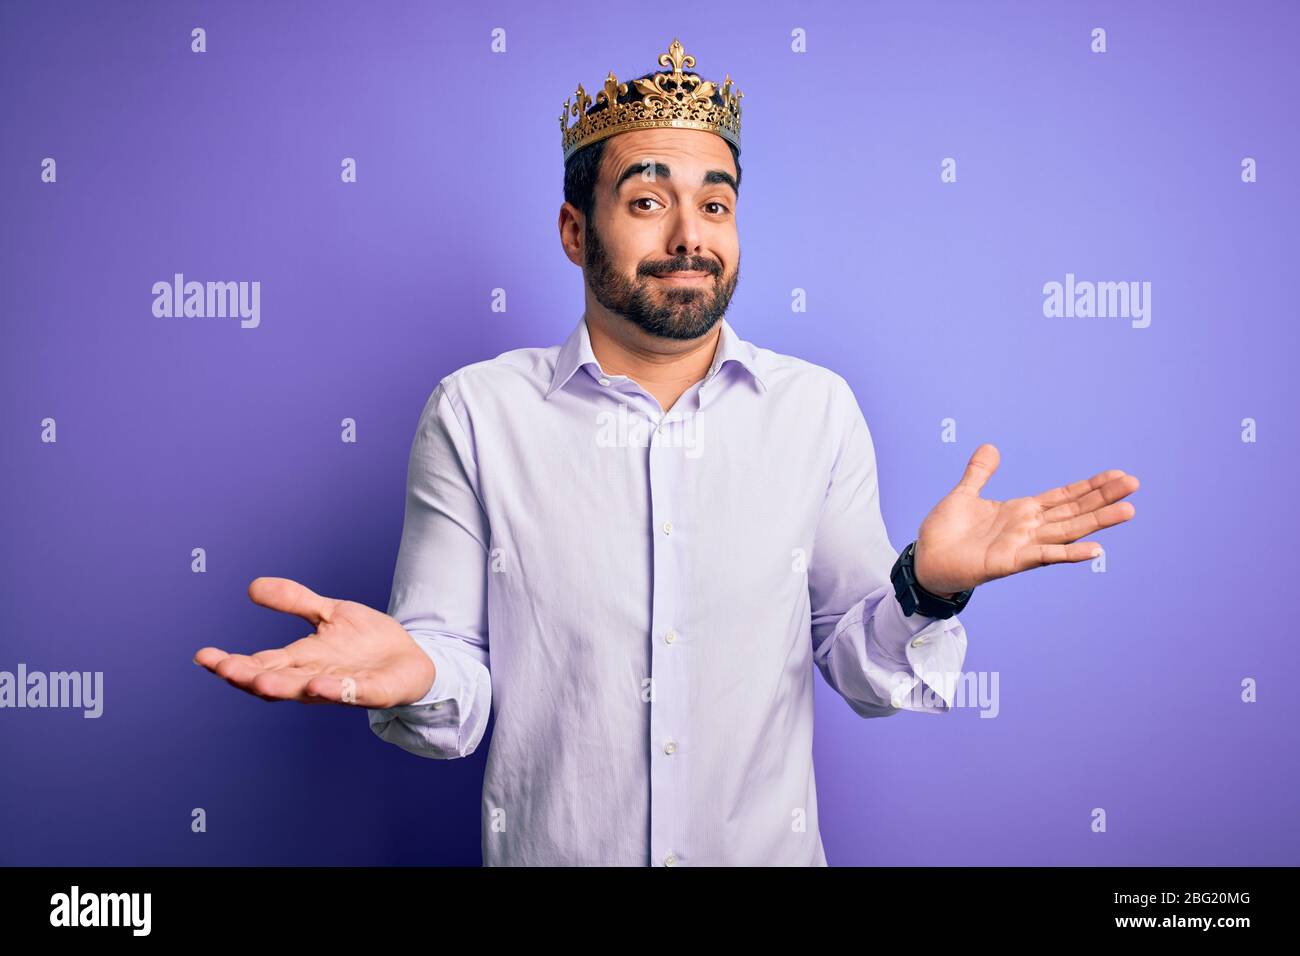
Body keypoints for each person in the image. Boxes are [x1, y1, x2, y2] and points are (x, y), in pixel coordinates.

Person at [194, 38, 1139, 866]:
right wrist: (422, 669)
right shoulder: (476, 414)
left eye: (716, 206)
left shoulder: (816, 410)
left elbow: (865, 673)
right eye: (647, 200)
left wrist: (926, 587)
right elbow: (455, 674)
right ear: (575, 231)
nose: (691, 237)